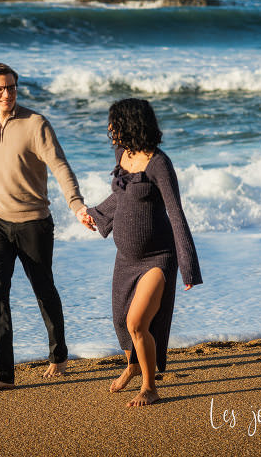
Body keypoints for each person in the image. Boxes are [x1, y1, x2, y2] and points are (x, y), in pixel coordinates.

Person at [0, 63, 93, 394]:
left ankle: (59, 354)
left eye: (11, 87)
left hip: (33, 222)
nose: (6, 94)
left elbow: (59, 165)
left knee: (43, 289)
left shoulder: (35, 124)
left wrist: (77, 205)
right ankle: (3, 374)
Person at [82, 98, 202, 407]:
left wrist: (188, 266)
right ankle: (133, 366)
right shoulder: (123, 154)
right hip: (125, 259)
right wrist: (95, 214)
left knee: (137, 322)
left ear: (131, 123)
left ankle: (149, 387)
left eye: (114, 123)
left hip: (158, 257)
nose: (110, 129)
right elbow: (120, 197)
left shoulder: (159, 163)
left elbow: (176, 213)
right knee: (121, 321)